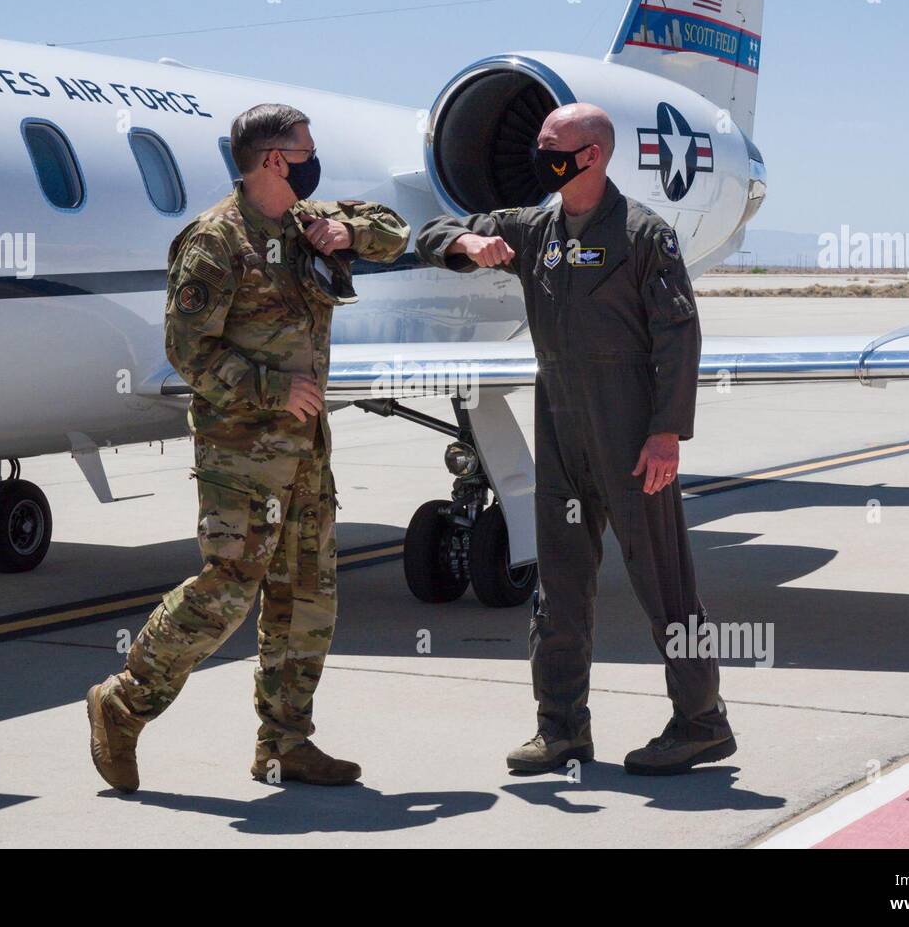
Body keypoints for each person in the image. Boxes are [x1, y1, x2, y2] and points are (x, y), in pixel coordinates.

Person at [87, 103, 409, 790]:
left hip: (306, 449)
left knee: (309, 595)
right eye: (305, 150)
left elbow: (392, 233)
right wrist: (270, 388)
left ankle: (285, 743)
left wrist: (344, 229)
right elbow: (186, 352)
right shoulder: (216, 241)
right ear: (273, 159)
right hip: (242, 451)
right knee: (228, 588)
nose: (313, 160)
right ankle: (123, 703)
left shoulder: (303, 224)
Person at [415, 103, 734, 775]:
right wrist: (467, 245)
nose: (539, 154)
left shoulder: (644, 235)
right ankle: (560, 728)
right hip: (558, 421)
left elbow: (680, 337)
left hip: (629, 427)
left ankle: (701, 720)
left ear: (590, 155)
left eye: (551, 145)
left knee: (665, 584)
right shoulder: (535, 231)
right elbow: (434, 231)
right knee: (558, 585)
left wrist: (666, 432)